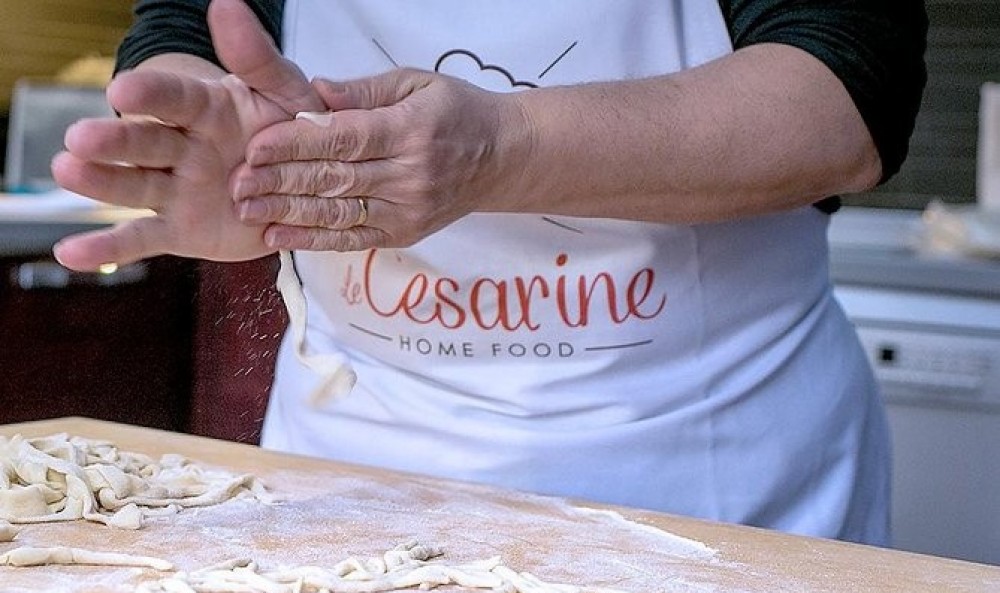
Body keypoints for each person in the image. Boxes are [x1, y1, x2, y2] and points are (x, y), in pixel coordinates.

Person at [52, 0, 927, 545]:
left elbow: (848, 95)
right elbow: (181, 27)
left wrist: (505, 149)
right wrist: (209, 134)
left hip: (710, 483)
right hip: (350, 483)